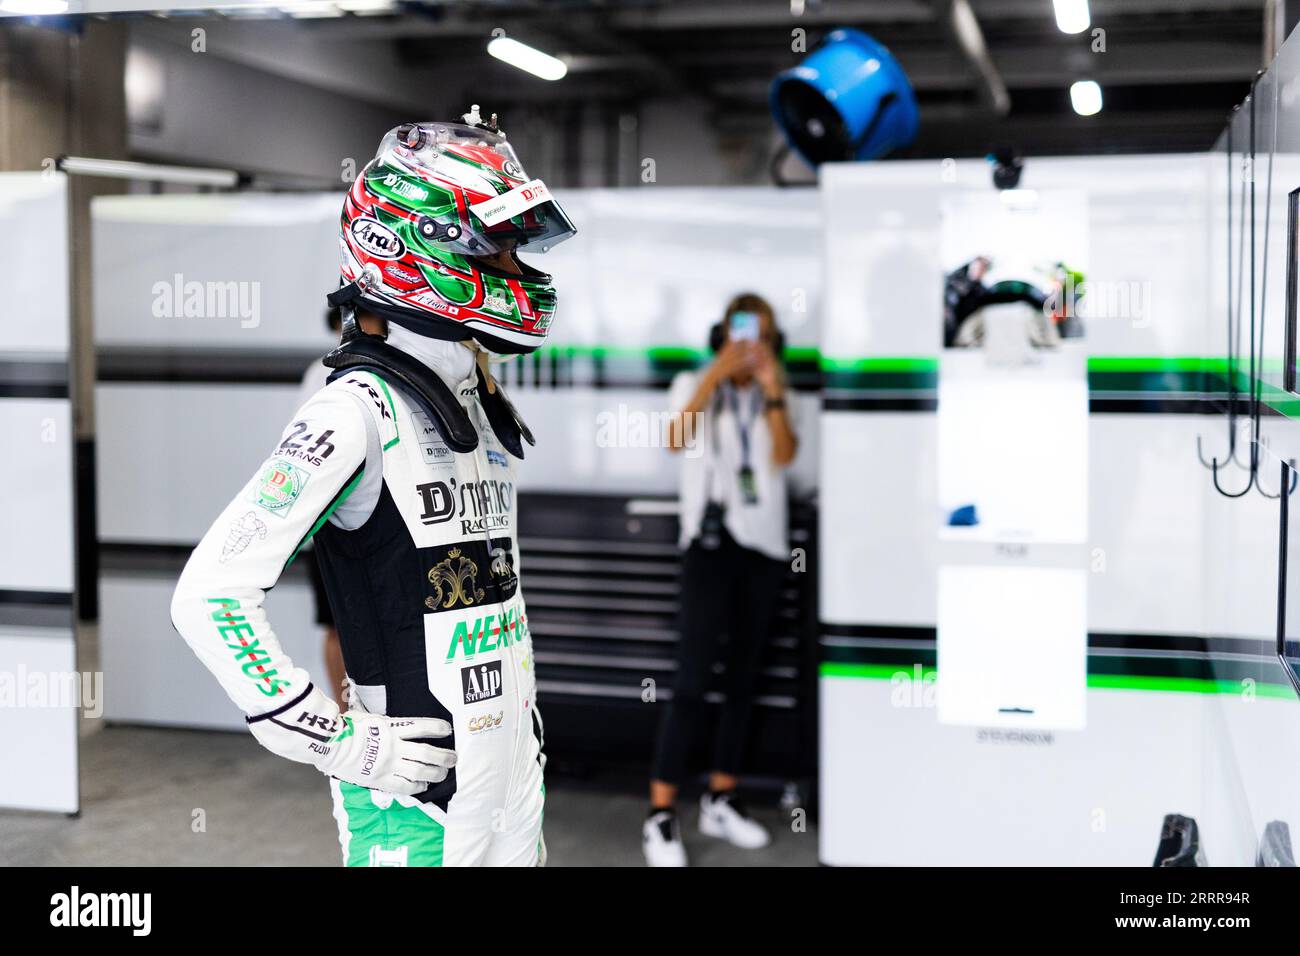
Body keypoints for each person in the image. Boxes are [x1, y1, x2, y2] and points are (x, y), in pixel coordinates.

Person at [171, 108, 576, 867]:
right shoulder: (354, 411)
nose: (521, 273)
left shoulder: (479, 401)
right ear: (417, 245)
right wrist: (334, 739)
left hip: (511, 770)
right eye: (502, 250)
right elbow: (208, 596)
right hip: (413, 798)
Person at [643, 293, 799, 867]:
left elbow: (784, 456)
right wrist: (718, 373)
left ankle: (721, 797)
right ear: (721, 334)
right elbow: (675, 439)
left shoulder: (777, 396)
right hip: (707, 549)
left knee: (743, 680)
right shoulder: (692, 382)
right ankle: (660, 815)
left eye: (762, 335)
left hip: (762, 547)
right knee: (689, 682)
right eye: (741, 332)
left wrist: (772, 385)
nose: (751, 344)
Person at [296, 306, 347, 708]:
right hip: (329, 525)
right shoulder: (322, 373)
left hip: (377, 526)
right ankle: (346, 715)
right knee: (336, 627)